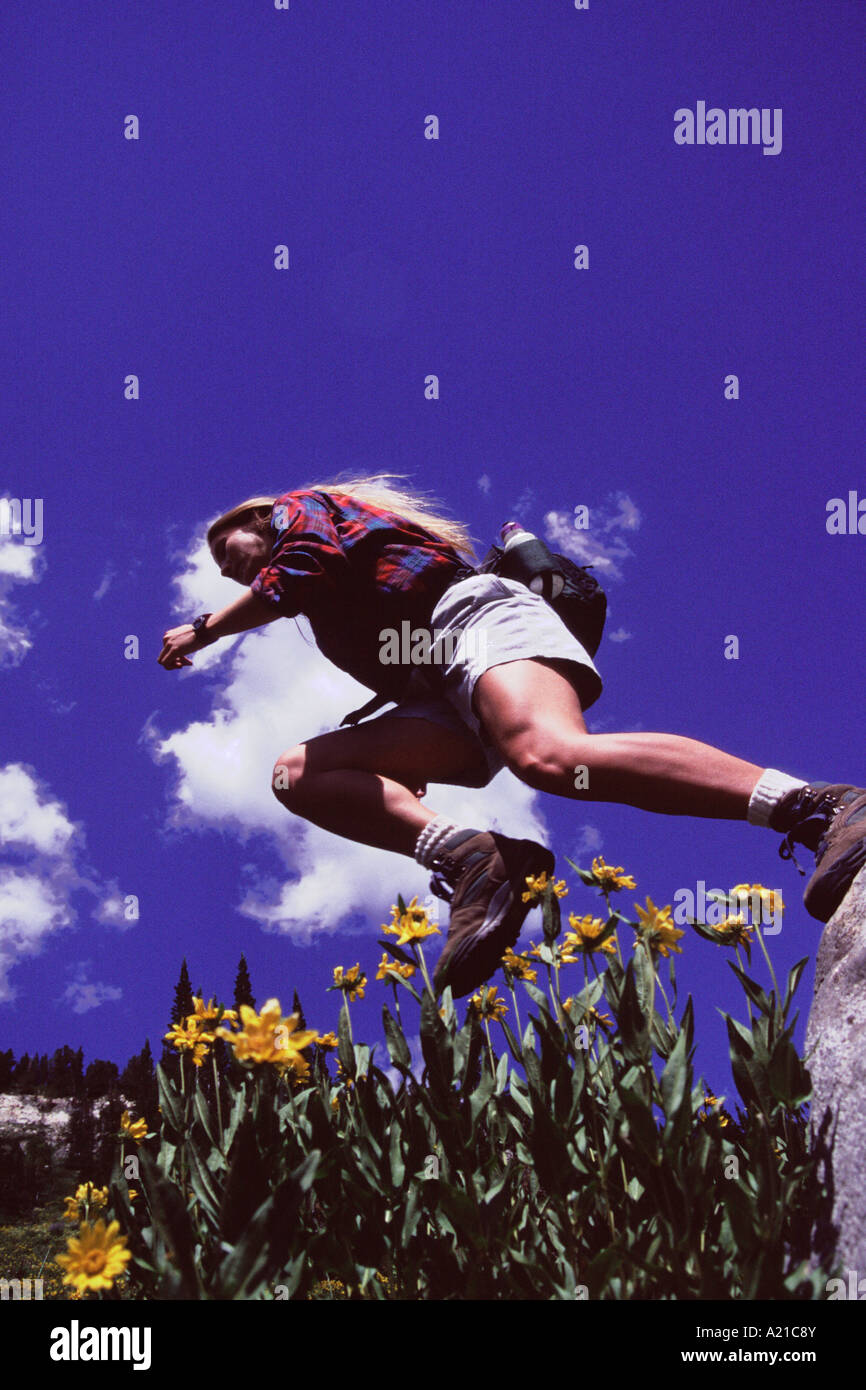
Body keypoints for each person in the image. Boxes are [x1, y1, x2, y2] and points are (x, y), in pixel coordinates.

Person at [158, 475, 866, 997]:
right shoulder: (318, 601)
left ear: (257, 517)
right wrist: (396, 745)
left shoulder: (301, 515)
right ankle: (479, 862)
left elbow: (305, 565)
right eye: (225, 573)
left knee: (549, 757)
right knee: (299, 772)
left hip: (473, 621)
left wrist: (204, 628)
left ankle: (817, 805)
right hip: (438, 684)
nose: (235, 570)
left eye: (234, 552)